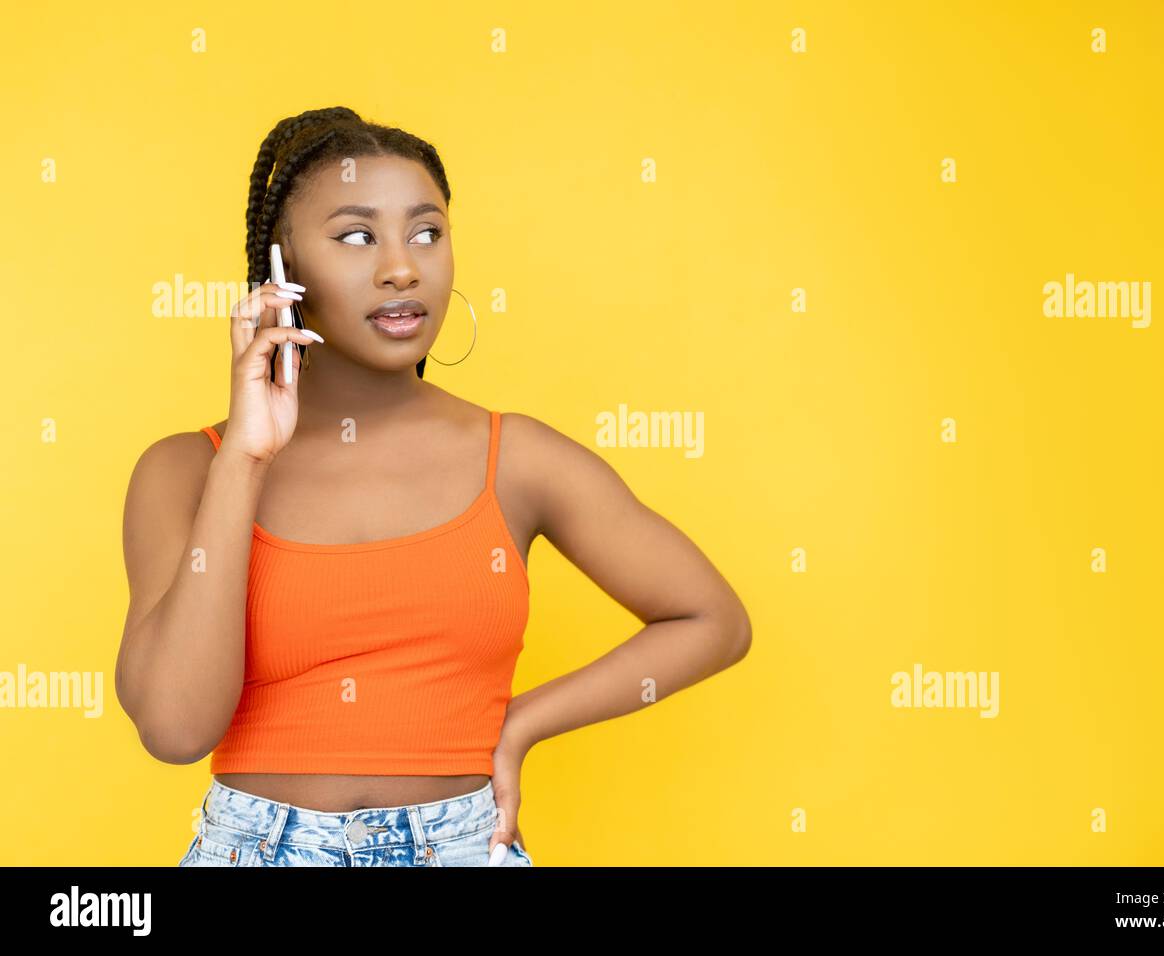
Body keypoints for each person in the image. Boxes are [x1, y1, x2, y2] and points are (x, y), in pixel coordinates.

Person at [116, 107, 752, 867]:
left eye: (427, 233)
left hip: (461, 848)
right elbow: (176, 730)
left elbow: (712, 619)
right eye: (358, 236)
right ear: (281, 270)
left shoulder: (517, 459)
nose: (402, 268)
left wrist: (521, 723)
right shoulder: (186, 471)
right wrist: (246, 460)